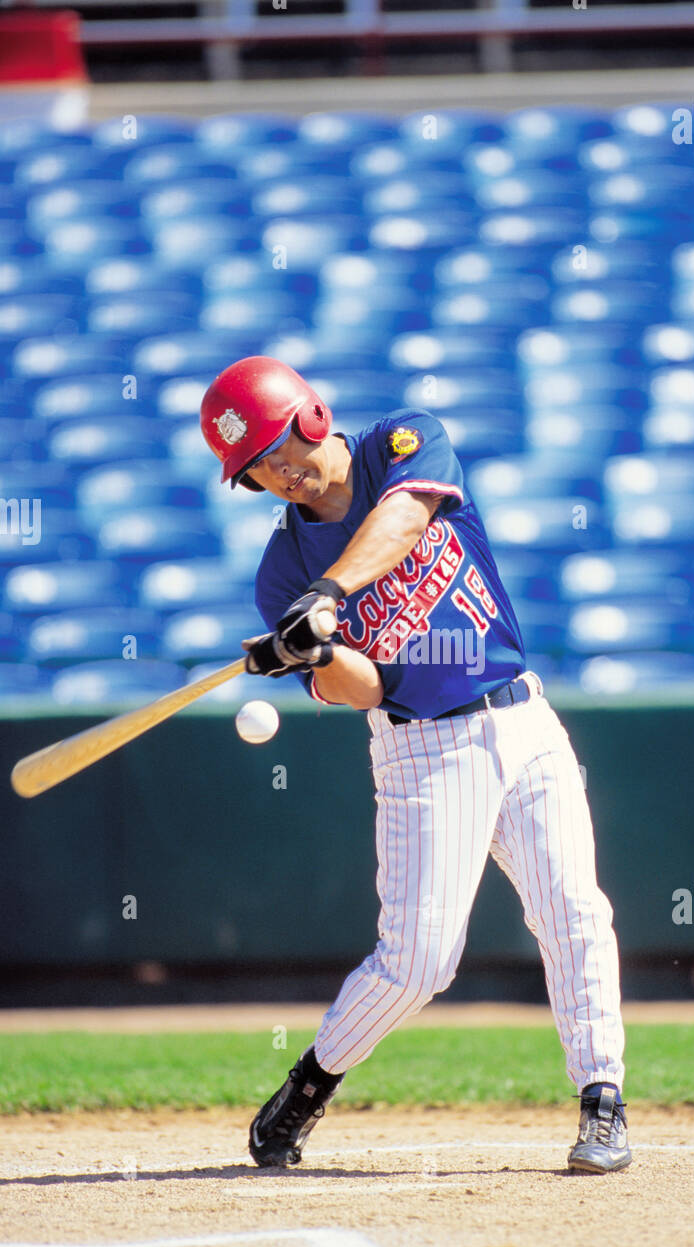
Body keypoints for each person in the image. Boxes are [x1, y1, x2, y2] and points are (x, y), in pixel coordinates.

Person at [200, 355, 632, 1174]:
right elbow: (362, 688)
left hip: (523, 712)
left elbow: (405, 516)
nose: (276, 469)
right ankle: (310, 1082)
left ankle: (602, 1099)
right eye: (254, 464)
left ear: (311, 414)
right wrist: (317, 648)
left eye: (275, 443)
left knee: (575, 909)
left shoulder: (401, 444)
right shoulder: (279, 578)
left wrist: (329, 592)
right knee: (420, 962)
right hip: (424, 747)